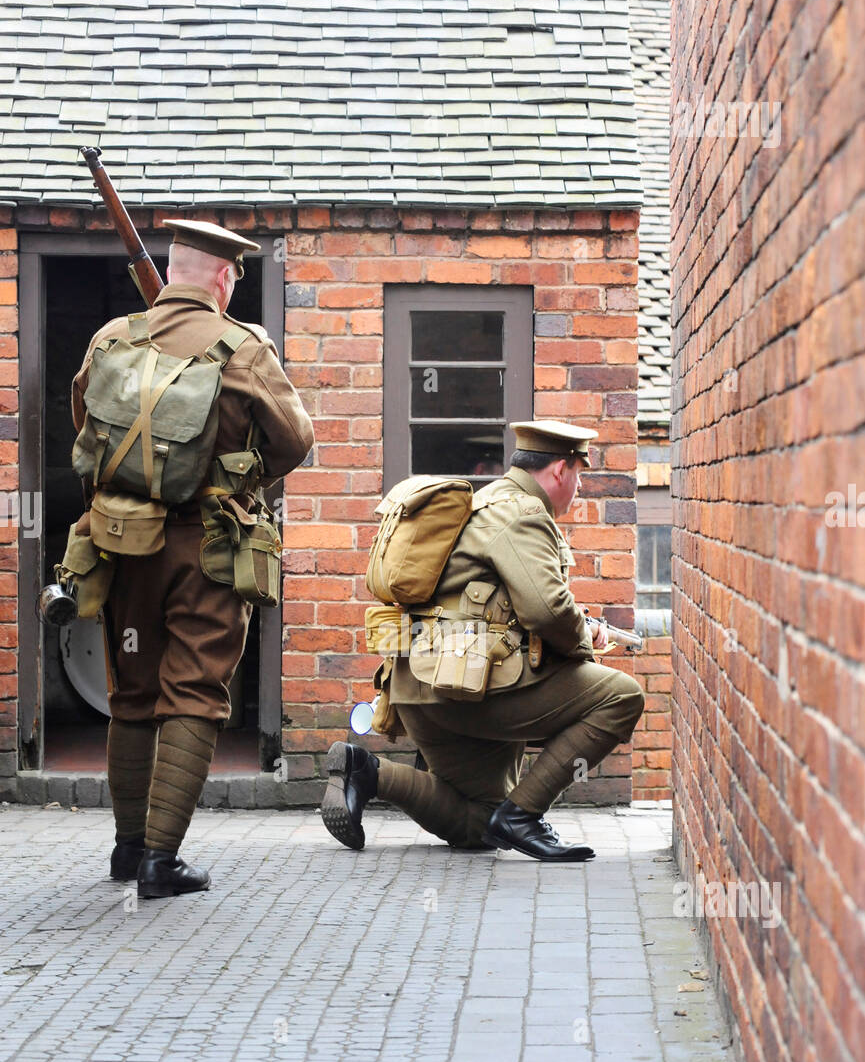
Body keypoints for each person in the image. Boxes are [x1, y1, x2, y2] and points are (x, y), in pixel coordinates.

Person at [71, 219, 314, 897]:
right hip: (206, 546)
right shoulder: (244, 345)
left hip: (121, 543)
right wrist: (239, 475)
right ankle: (160, 861)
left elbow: (84, 424)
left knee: (132, 693)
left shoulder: (111, 337)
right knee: (194, 693)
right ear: (224, 278)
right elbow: (295, 441)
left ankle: (125, 849)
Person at [321, 420, 645, 861]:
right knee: (621, 696)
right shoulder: (524, 514)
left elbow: (497, 604)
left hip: (419, 687)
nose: (581, 486)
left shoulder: (485, 500)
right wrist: (584, 637)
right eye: (580, 474)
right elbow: (547, 611)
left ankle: (368, 773)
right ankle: (524, 818)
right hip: (468, 689)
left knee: (481, 825)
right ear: (559, 471)